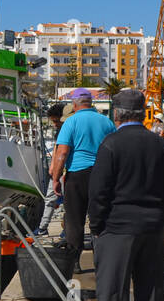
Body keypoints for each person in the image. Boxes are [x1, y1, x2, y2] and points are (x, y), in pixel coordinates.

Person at [88, 89, 164, 301]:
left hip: (117, 229)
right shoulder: (159, 145)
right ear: (142, 114)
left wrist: (97, 226)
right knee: (151, 288)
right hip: (152, 228)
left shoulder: (110, 144)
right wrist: (161, 220)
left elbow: (99, 192)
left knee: (113, 292)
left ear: (116, 114)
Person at [49, 88, 115, 270]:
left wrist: (56, 178)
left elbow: (62, 152)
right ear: (90, 103)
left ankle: (75, 261)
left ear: (75, 104)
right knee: (100, 217)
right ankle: (101, 259)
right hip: (102, 175)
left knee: (74, 219)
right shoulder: (106, 122)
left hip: (77, 175)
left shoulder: (71, 122)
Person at [35, 102, 67, 235]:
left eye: (56, 121)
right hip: (58, 170)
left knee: (67, 202)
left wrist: (54, 167)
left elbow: (62, 151)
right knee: (50, 199)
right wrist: (53, 167)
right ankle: (43, 227)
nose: (54, 124)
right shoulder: (60, 130)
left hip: (65, 170)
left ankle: (65, 228)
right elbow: (56, 148)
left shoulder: (67, 128)